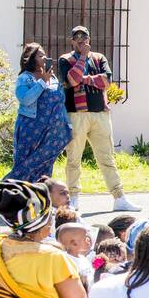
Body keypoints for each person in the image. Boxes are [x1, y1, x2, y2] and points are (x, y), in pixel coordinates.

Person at [56, 26, 137, 212]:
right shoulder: (65, 59)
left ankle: (119, 197)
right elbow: (72, 80)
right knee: (74, 158)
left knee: (107, 157)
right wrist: (83, 58)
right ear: (71, 41)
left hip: (100, 113)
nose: (81, 41)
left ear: (89, 38)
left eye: (84, 37)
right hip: (76, 114)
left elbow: (106, 81)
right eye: (77, 38)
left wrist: (85, 79)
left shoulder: (100, 58)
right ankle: (73, 197)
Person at [8, 43, 73, 184]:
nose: (45, 57)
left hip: (51, 133)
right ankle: (10, 191)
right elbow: (25, 99)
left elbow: (60, 101)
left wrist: (65, 123)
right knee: (25, 163)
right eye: (40, 55)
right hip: (30, 130)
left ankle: (42, 199)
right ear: (30, 58)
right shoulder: (25, 78)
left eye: (44, 54)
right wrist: (42, 81)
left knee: (45, 165)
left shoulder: (53, 78)